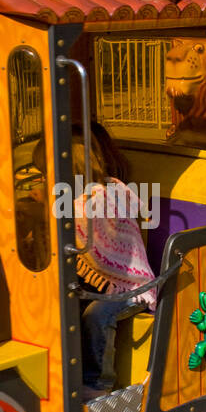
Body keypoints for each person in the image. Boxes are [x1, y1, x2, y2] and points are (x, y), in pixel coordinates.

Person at [68, 124, 157, 396]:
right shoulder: (71, 197)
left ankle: (99, 384)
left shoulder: (107, 194)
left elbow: (100, 242)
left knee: (97, 315)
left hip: (130, 285)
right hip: (98, 282)